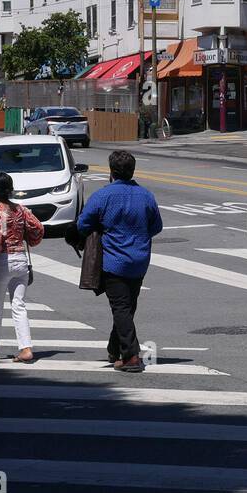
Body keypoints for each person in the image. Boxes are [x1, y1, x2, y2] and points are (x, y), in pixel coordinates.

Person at [76, 150, 163, 373]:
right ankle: (114, 349)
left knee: (121, 308)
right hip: (140, 260)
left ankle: (132, 356)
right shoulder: (146, 196)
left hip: (114, 261)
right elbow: (156, 226)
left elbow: (83, 224)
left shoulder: (103, 196)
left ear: (111, 171)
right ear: (132, 170)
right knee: (127, 306)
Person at [0, 172, 44, 363]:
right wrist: (30, 240)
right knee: (19, 305)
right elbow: (38, 228)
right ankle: (25, 348)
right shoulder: (21, 210)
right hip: (21, 259)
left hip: (2, 262)